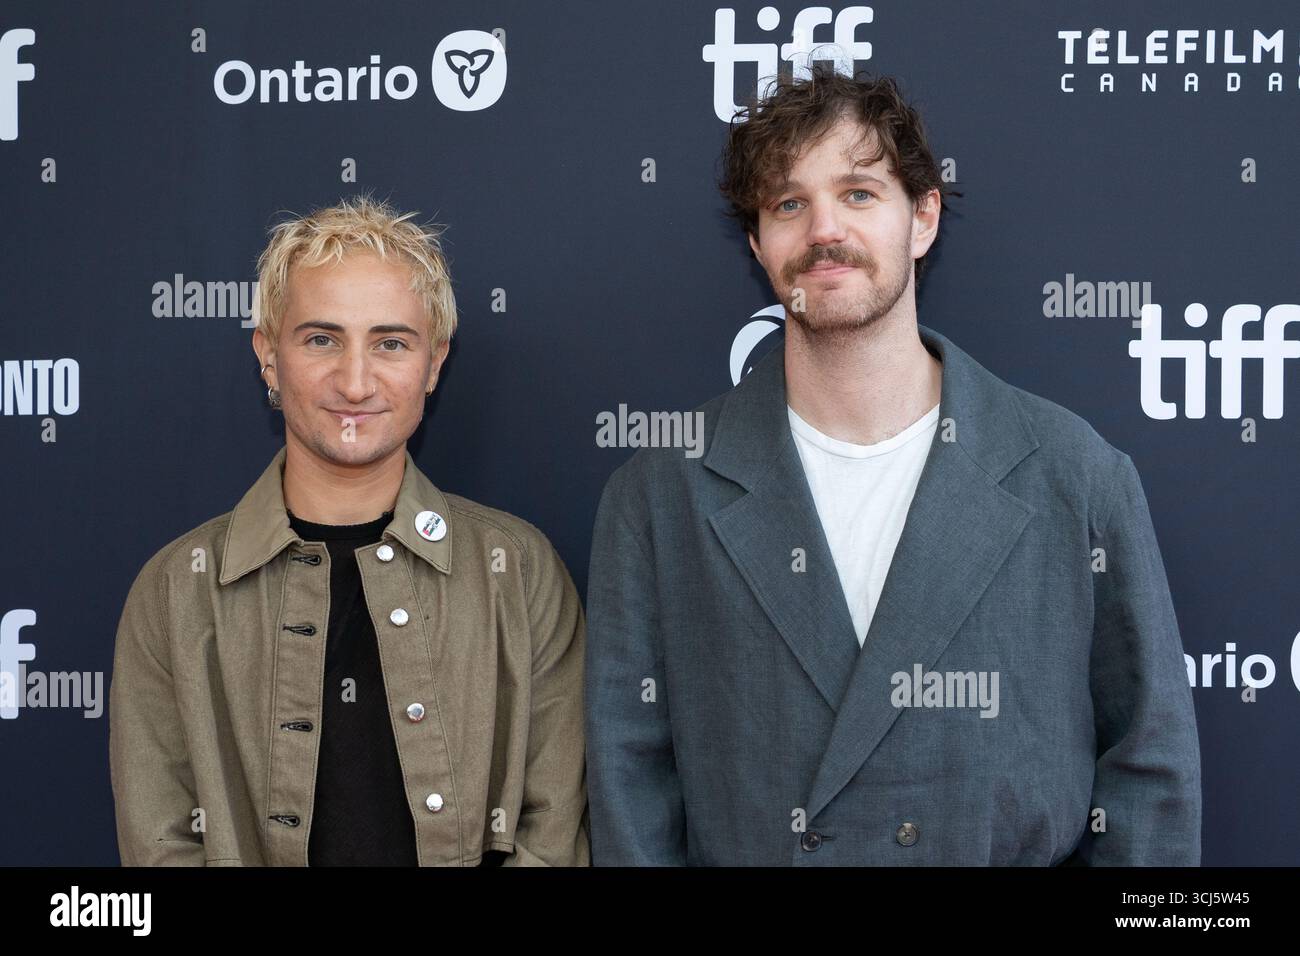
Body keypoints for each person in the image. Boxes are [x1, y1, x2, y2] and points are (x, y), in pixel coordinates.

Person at [584, 69, 1200, 865]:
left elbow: (1150, 771)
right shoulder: (660, 494)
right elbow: (630, 786)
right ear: (758, 243)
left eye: (859, 193)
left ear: (924, 218)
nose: (824, 230)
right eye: (788, 204)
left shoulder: (1074, 475)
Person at [109, 195, 589, 866]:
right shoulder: (175, 592)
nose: (356, 382)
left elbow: (552, 835)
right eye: (321, 339)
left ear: (434, 364)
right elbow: (161, 845)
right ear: (269, 356)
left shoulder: (520, 571)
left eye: (390, 343)